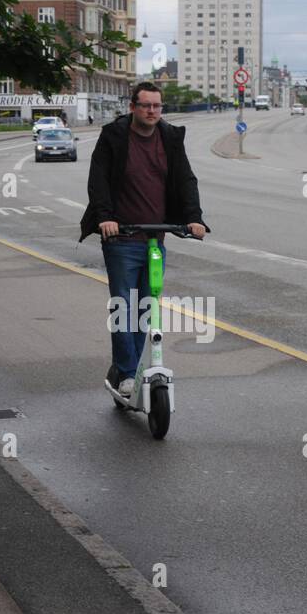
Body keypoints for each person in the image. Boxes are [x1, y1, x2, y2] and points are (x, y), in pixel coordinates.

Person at [81, 81, 208, 398]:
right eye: (146, 105)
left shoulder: (169, 137)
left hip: (155, 236)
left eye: (157, 106)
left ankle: (131, 367)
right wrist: (105, 217)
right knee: (124, 306)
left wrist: (193, 218)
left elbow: (185, 179)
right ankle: (126, 373)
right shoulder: (114, 136)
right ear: (133, 107)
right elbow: (98, 179)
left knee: (146, 308)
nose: (152, 111)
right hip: (121, 236)